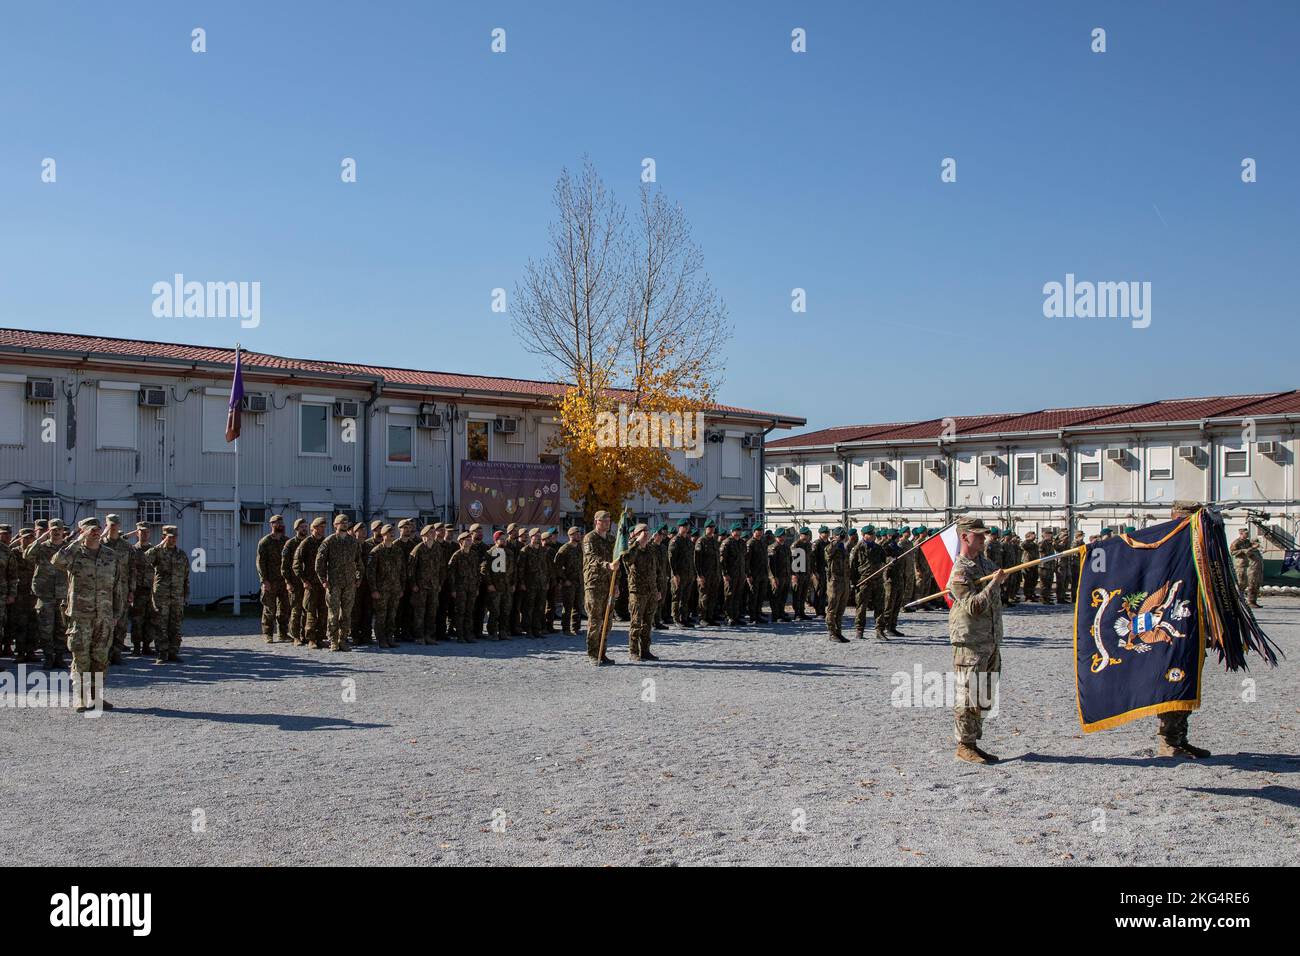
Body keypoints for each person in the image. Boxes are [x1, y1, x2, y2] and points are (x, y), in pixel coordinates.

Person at [947, 517, 1006, 765]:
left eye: (984, 535)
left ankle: (974, 741)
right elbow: (974, 606)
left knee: (985, 695)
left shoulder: (985, 563)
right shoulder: (961, 570)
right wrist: (993, 584)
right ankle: (964, 745)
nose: (983, 539)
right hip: (970, 641)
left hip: (989, 638)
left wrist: (994, 580)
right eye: (978, 535)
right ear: (964, 537)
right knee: (968, 694)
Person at [1156, 502, 1213, 758]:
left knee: (1188, 681)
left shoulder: (1200, 547)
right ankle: (1168, 741)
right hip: (1172, 627)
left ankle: (1179, 737)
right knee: (1173, 680)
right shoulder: (1163, 545)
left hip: (1194, 624)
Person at [53, 518, 122, 712]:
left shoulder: (110, 555)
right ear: (81, 531)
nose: (95, 532)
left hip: (105, 615)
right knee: (81, 656)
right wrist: (76, 540)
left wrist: (116, 613)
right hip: (81, 615)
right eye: (90, 529)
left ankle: (97, 697)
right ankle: (80, 698)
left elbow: (117, 586)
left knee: (100, 657)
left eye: (98, 528)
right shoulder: (75, 553)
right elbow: (57, 562)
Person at [25, 521, 69, 668]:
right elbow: (27, 556)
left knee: (62, 628)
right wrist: (40, 539)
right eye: (53, 529)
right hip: (45, 593)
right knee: (45, 628)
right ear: (49, 530)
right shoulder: (42, 547)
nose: (56, 532)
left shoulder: (68, 548)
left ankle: (60, 657)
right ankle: (48, 657)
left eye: (59, 529)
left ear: (63, 531)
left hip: (63, 593)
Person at [146, 524, 190, 664]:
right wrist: (159, 546)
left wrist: (185, 594)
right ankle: (162, 653)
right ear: (164, 537)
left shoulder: (181, 555)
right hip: (161, 595)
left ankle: (173, 652)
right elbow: (145, 559)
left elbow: (186, 576)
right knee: (161, 624)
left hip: (177, 595)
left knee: (176, 624)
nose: (172, 540)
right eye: (169, 538)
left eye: (175, 537)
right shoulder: (158, 552)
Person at [316, 514, 359, 652]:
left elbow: (359, 562)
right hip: (333, 583)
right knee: (333, 613)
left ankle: (343, 640)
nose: (345, 524)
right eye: (342, 522)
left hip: (349, 583)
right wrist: (323, 580)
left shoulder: (353, 542)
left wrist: (358, 578)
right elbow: (319, 563)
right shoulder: (329, 541)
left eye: (347, 522)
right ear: (335, 525)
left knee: (346, 613)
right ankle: (333, 640)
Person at [582, 511, 616, 664]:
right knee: (595, 620)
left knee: (607, 621)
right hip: (594, 584)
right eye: (604, 520)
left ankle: (602, 652)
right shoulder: (590, 538)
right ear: (596, 521)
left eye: (608, 520)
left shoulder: (611, 539)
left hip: (608, 585)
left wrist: (616, 584)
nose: (607, 523)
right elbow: (592, 558)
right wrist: (607, 565)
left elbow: (617, 563)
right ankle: (593, 653)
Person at [623, 523, 662, 662]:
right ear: (635, 534)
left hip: (651, 591)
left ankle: (645, 650)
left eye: (647, 530)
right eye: (642, 531)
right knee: (636, 622)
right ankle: (633, 651)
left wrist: (656, 590)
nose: (645, 533)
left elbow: (654, 571)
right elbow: (627, 560)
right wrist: (637, 543)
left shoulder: (651, 549)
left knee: (648, 623)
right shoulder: (631, 548)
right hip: (637, 591)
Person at [294, 517, 328, 649]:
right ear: (314, 528)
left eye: (324, 527)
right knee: (311, 612)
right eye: (320, 527)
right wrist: (304, 580)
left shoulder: (325, 543)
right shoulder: (306, 543)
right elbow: (296, 564)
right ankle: (311, 639)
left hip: (323, 583)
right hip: (311, 584)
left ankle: (320, 638)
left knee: (323, 611)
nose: (323, 529)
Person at [367, 524, 403, 648]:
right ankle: (381, 639)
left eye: (393, 532)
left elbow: (402, 571)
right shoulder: (376, 551)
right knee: (381, 615)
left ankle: (389, 637)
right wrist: (374, 590)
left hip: (395, 588)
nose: (392, 534)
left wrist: (401, 588)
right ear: (383, 535)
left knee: (392, 615)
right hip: (381, 590)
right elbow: (370, 573)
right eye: (389, 532)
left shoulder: (398, 551)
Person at [256, 514, 290, 643]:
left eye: (281, 522)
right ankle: (267, 633)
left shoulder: (286, 541)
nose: (281, 524)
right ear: (272, 524)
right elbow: (260, 562)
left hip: (283, 581)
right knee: (269, 608)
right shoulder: (265, 542)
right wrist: (264, 580)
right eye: (278, 522)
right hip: (270, 581)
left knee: (284, 608)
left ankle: (283, 633)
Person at [409, 524, 445, 644]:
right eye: (430, 533)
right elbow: (411, 569)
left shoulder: (438, 548)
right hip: (420, 586)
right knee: (420, 612)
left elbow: (442, 567)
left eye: (433, 533)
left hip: (434, 586)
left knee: (432, 612)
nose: (432, 535)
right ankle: (419, 636)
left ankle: (429, 636)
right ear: (424, 536)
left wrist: (440, 582)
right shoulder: (418, 549)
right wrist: (413, 584)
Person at [849, 526, 887, 640]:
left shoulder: (878, 548)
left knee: (879, 606)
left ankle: (880, 630)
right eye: (870, 534)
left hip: (877, 580)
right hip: (863, 581)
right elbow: (852, 567)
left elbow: (884, 560)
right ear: (864, 535)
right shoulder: (857, 548)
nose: (872, 536)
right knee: (861, 606)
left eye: (873, 534)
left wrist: (891, 562)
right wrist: (853, 582)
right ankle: (859, 630)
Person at [129, 523, 157, 655]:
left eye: (146, 532)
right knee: (136, 620)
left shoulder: (155, 550)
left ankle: (147, 646)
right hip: (137, 590)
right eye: (141, 532)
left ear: (149, 533)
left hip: (151, 590)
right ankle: (136, 647)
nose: (144, 534)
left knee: (150, 620)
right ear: (137, 533)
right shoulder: (132, 550)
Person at [448, 531, 480, 643]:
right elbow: (451, 575)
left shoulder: (474, 555)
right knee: (460, 612)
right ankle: (460, 635)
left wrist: (477, 587)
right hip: (460, 589)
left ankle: (468, 634)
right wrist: (453, 589)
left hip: (471, 588)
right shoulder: (456, 556)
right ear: (461, 541)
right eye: (467, 539)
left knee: (469, 611)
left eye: (470, 539)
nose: (470, 541)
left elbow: (477, 572)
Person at [281, 518, 310, 644]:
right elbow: (285, 565)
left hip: (308, 582)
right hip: (295, 582)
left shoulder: (310, 542)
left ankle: (306, 635)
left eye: (305, 526)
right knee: (296, 609)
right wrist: (288, 582)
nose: (304, 528)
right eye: (302, 526)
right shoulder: (290, 544)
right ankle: (296, 636)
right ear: (296, 528)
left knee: (307, 609)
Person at [480, 529, 511, 641]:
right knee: (494, 611)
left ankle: (503, 632)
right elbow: (484, 570)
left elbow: (513, 570)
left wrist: (513, 583)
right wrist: (489, 584)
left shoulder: (509, 553)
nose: (503, 541)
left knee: (505, 610)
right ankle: (492, 632)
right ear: (495, 540)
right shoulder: (490, 553)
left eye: (504, 539)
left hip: (506, 587)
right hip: (495, 588)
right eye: (501, 539)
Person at [554, 527, 583, 636]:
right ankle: (566, 628)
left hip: (579, 581)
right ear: (571, 535)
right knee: (568, 606)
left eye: (579, 534)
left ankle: (576, 627)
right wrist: (564, 580)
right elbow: (557, 566)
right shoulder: (564, 549)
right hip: (569, 582)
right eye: (576, 534)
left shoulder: (579, 548)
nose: (579, 536)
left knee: (578, 605)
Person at [668, 520, 697, 627]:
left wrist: (693, 573)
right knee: (677, 597)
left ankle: (684, 618)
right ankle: (676, 619)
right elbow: (672, 559)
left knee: (685, 598)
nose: (686, 528)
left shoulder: (688, 541)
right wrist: (675, 574)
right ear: (679, 527)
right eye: (684, 526)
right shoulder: (675, 541)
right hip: (679, 575)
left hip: (688, 574)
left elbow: (691, 559)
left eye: (687, 526)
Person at [824, 528, 850, 642]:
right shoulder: (830, 547)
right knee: (832, 609)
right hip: (834, 581)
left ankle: (838, 632)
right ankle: (832, 632)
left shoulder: (842, 548)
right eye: (841, 536)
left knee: (841, 609)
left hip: (843, 581)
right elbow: (828, 554)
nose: (843, 538)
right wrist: (835, 541)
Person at [695, 520, 722, 626]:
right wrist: (699, 575)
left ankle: (710, 617)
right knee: (704, 597)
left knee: (713, 596)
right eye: (709, 527)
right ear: (705, 529)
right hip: (705, 574)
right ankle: (702, 617)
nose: (711, 529)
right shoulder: (701, 541)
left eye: (713, 527)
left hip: (714, 575)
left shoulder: (715, 541)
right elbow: (697, 560)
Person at [1230, 527, 1264, 608]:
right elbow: (1232, 552)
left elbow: (1249, 550)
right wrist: (1243, 550)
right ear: (1241, 534)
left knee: (1250, 584)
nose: (1247, 535)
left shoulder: (1247, 542)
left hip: (1247, 565)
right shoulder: (1236, 542)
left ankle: (1250, 601)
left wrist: (1253, 548)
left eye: (1248, 534)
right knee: (1241, 584)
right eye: (1246, 534)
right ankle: (1237, 601)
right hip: (1240, 565)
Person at [745, 526, 769, 624]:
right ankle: (752, 617)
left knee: (760, 596)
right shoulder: (750, 543)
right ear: (754, 532)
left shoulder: (762, 543)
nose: (759, 533)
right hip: (754, 574)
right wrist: (748, 574)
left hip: (762, 573)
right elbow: (747, 560)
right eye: (757, 531)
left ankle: (758, 614)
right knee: (753, 596)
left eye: (761, 531)